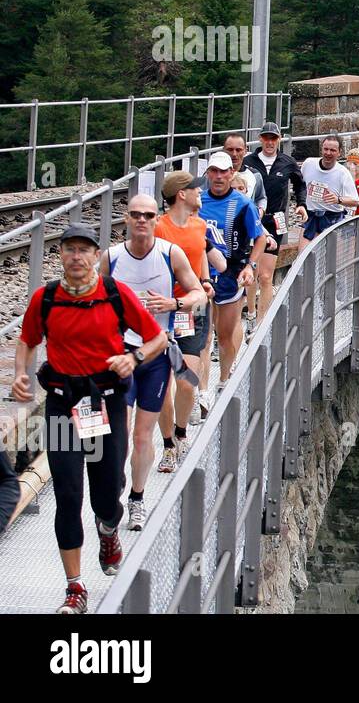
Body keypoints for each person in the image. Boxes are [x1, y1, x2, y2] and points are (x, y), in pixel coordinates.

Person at [12, 224, 167, 614]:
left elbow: (157, 338)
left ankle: (109, 528)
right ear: (60, 255)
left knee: (107, 492)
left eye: (84, 250)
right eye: (69, 250)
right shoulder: (46, 298)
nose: (76, 257)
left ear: (96, 255)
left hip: (105, 403)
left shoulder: (114, 294)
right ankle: (75, 587)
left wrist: (132, 358)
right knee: (67, 493)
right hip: (63, 404)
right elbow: (28, 339)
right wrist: (20, 373)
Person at [103, 195, 205, 525]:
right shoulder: (111, 257)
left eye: (148, 215)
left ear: (155, 218)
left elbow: (199, 293)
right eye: (135, 215)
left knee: (142, 436)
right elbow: (91, 295)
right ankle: (114, 488)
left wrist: (174, 304)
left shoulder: (168, 253)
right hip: (119, 357)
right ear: (126, 219)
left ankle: (137, 497)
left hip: (157, 354)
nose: (142, 221)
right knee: (119, 432)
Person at [156, 171, 226, 426]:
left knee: (187, 379)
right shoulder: (159, 227)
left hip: (194, 308)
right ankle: (168, 439)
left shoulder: (199, 225)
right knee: (164, 379)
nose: (201, 192)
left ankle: (182, 426)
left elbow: (200, 259)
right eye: (196, 188)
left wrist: (206, 281)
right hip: (163, 309)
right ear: (181, 195)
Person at [200, 151, 267, 386]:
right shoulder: (197, 201)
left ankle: (225, 378)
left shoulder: (242, 204)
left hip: (230, 272)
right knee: (204, 338)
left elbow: (259, 237)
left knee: (225, 336)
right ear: (207, 174)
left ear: (231, 173)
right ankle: (202, 393)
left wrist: (251, 266)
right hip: (201, 274)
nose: (218, 177)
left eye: (223, 172)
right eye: (214, 171)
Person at [244, 123, 304, 327]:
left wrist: (301, 204)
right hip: (252, 220)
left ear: (279, 140)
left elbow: (300, 183)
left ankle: (263, 323)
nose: (270, 142)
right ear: (261, 139)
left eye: (273, 138)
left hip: (275, 220)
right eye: (266, 138)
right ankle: (251, 313)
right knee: (251, 270)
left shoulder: (287, 162)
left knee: (266, 275)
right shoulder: (248, 162)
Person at [300, 135, 359, 244]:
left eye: (332, 150)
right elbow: (299, 185)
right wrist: (300, 203)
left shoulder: (343, 173)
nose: (328, 153)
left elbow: (355, 201)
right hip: (310, 216)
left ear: (339, 153)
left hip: (332, 218)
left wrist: (338, 200)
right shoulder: (308, 164)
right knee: (302, 257)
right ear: (321, 149)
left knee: (328, 258)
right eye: (326, 149)